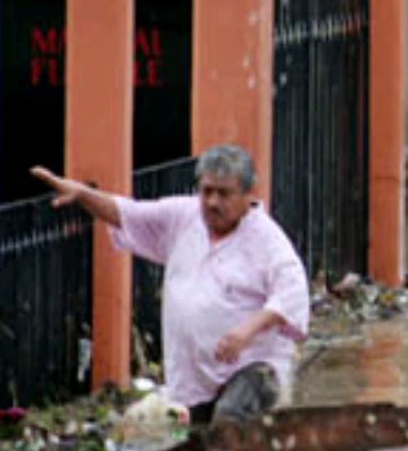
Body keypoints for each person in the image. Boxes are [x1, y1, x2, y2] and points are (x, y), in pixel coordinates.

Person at [31, 144, 310, 427]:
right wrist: (82, 194)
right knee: (198, 437)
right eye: (207, 191)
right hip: (195, 374)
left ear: (247, 195)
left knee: (229, 421)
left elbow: (292, 291)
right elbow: (126, 213)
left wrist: (246, 331)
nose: (213, 202)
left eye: (224, 194)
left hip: (253, 366)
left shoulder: (267, 240)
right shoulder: (183, 216)